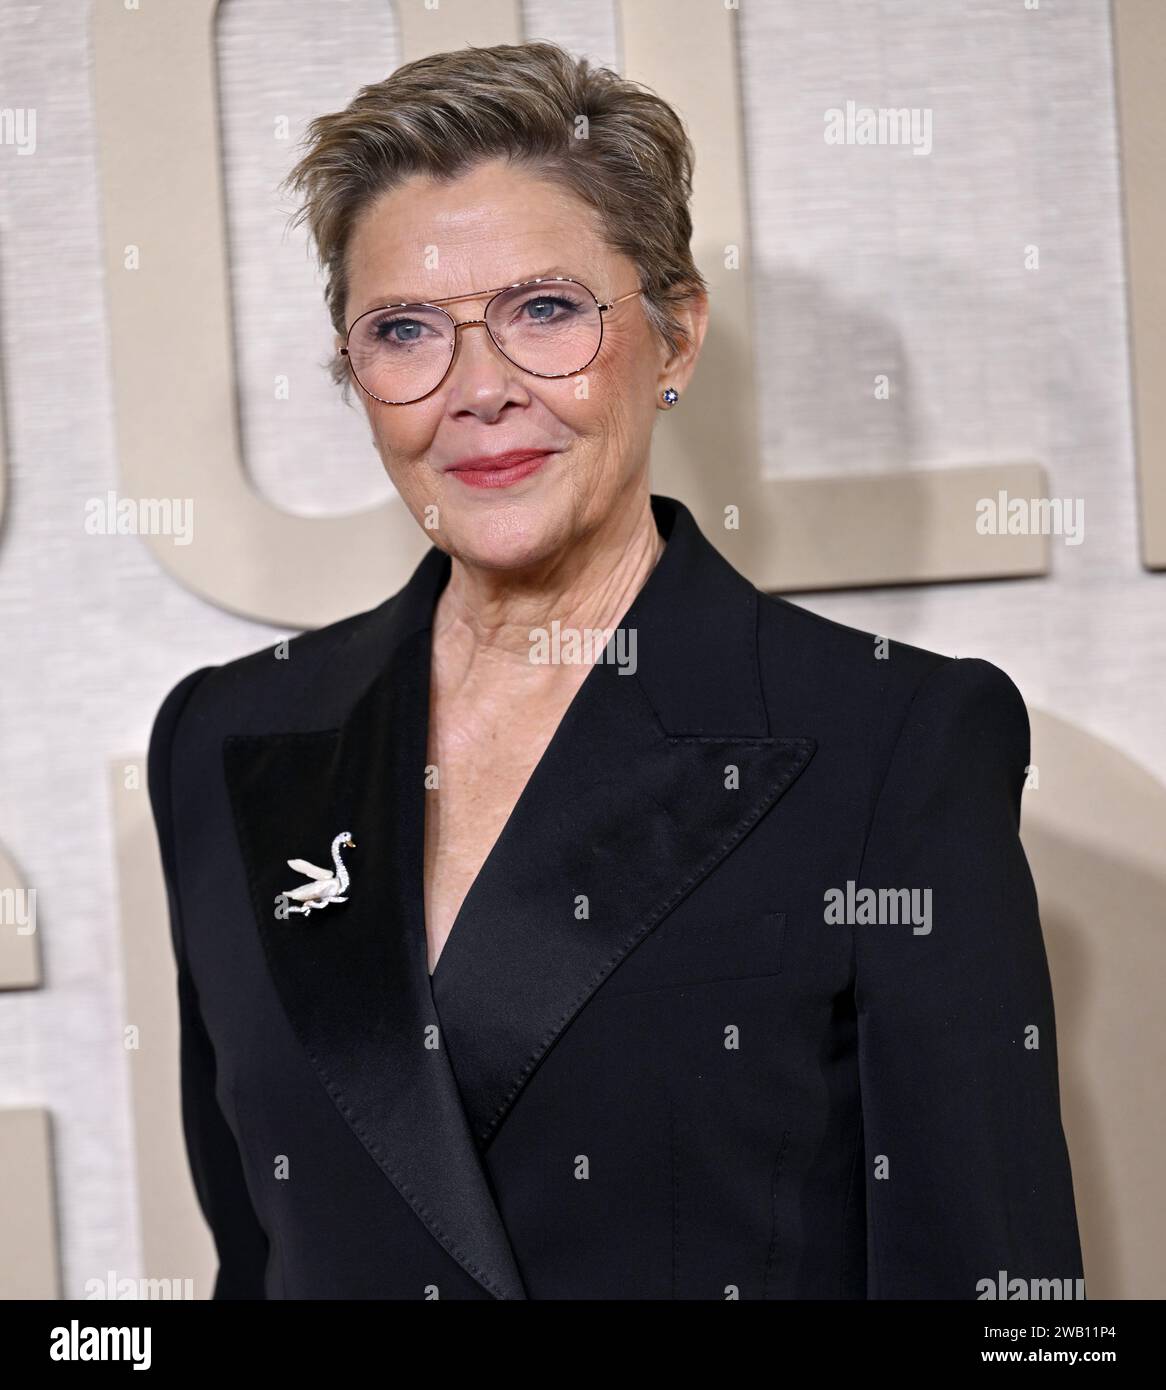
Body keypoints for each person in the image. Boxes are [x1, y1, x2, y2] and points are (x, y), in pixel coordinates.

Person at [147, 40, 1084, 1299]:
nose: (476, 391)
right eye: (405, 329)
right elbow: (259, 1259)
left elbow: (990, 1293)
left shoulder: (890, 741)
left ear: (673, 334)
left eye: (543, 310)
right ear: (354, 373)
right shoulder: (225, 739)